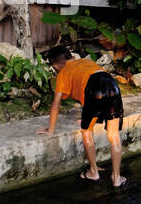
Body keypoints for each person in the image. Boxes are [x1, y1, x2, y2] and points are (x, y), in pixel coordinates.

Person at [38, 45, 127, 187]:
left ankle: (93, 172)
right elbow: (100, 90)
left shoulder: (63, 73)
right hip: (112, 84)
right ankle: (116, 178)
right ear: (70, 56)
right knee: (114, 135)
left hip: (94, 88)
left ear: (57, 65)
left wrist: (50, 129)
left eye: (54, 68)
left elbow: (56, 104)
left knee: (86, 131)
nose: (55, 71)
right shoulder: (86, 62)